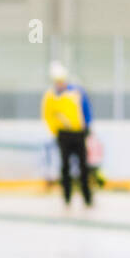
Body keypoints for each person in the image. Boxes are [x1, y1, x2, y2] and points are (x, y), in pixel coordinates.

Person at [42, 61, 93, 206]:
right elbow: (48, 116)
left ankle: (87, 197)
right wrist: (55, 131)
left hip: (78, 133)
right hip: (63, 135)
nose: (60, 84)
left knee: (84, 166)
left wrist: (88, 126)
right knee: (65, 166)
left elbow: (86, 109)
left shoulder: (76, 92)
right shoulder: (51, 96)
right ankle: (67, 196)